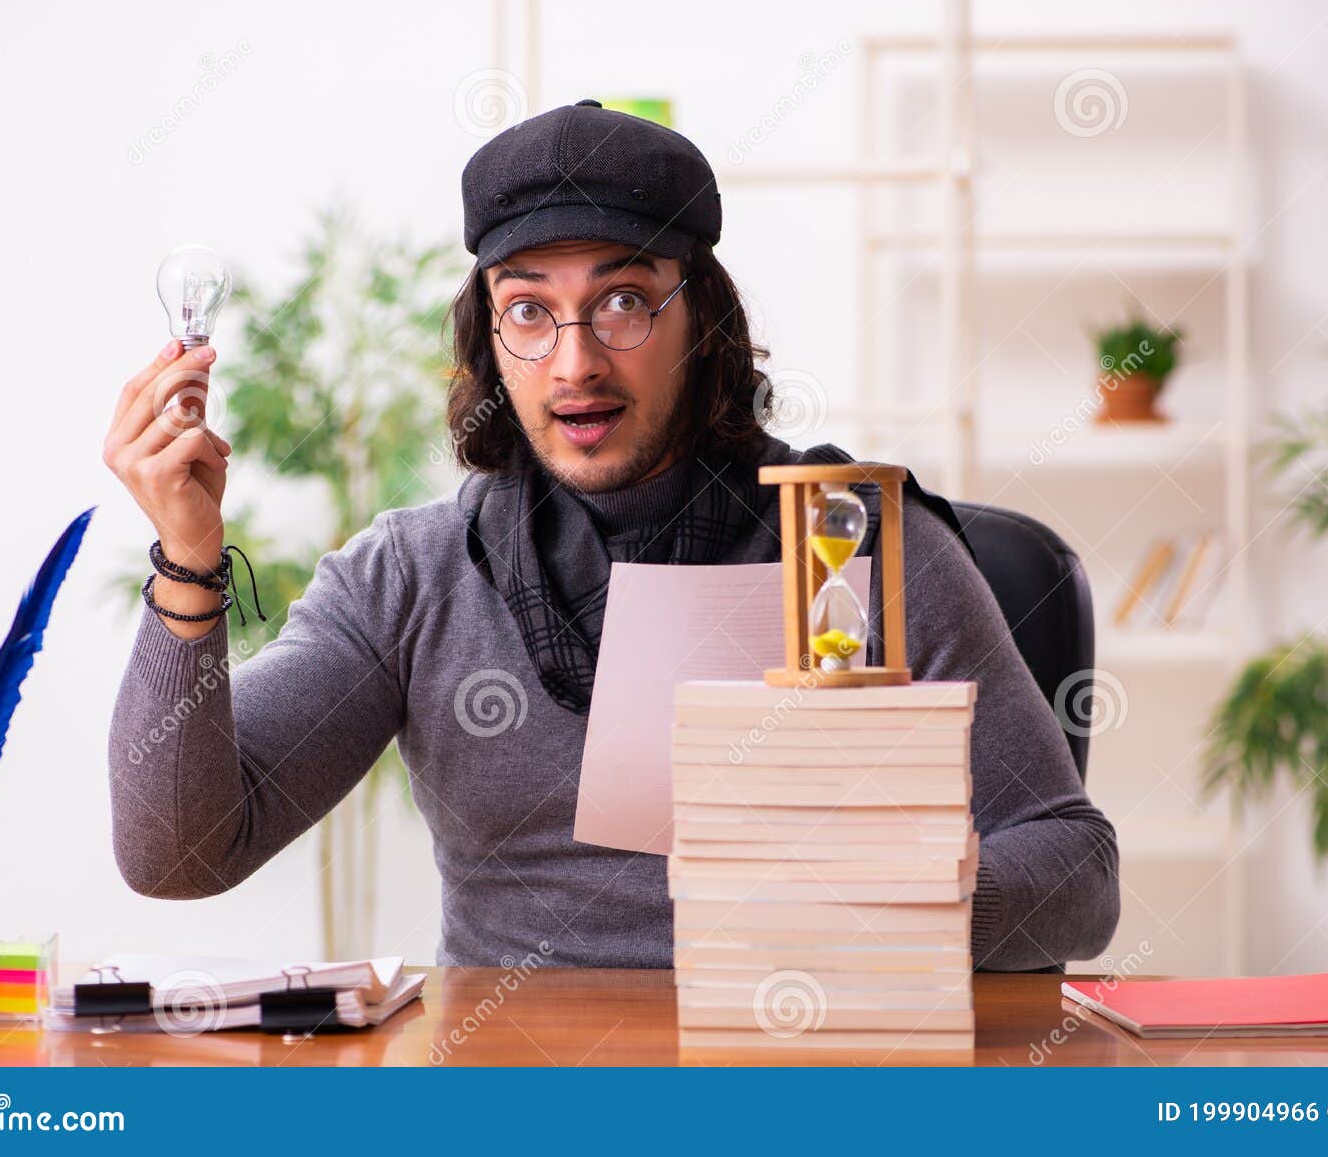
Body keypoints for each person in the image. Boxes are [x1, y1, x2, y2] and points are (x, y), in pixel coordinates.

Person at [103, 100, 1119, 970]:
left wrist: (877, 896)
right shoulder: (410, 576)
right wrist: (188, 563)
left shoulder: (845, 547)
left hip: (799, 1071)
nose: (575, 361)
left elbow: (1076, 874)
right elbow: (181, 858)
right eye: (529, 312)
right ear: (489, 342)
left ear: (701, 323)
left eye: (624, 302)